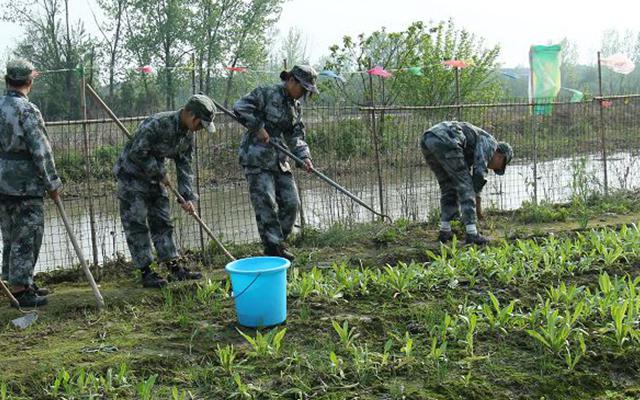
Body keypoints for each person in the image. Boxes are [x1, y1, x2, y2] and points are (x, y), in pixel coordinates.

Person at [114, 94, 216, 288]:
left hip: (155, 178)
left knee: (162, 221)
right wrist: (159, 172)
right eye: (200, 124)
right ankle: (146, 272)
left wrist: (186, 197)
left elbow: (184, 164)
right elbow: (138, 152)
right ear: (190, 114)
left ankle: (174, 268)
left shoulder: (187, 135)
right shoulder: (158, 123)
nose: (200, 129)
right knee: (136, 224)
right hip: (131, 175)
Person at [233, 65, 318, 261]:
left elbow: (296, 134)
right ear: (291, 81)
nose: (303, 94)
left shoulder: (295, 106)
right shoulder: (266, 93)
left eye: (307, 91)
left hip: (279, 159)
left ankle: (277, 243)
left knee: (291, 202)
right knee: (266, 202)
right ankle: (273, 248)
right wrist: (258, 127)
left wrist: (304, 156)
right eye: (302, 88)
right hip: (256, 157)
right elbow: (240, 107)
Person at [0, 59, 61, 307]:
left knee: (10, 234)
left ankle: (19, 282)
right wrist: (52, 182)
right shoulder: (27, 110)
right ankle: (21, 288)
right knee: (28, 234)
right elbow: (41, 150)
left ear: (7, 80)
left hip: (2, 181)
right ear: (29, 81)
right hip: (25, 183)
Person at [421, 121, 513, 245]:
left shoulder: (475, 146)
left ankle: (445, 231)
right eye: (499, 166)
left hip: (428, 139)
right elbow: (479, 173)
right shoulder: (491, 143)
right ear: (501, 156)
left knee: (448, 187)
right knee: (466, 186)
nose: (493, 169)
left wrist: (476, 197)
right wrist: (476, 202)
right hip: (447, 138)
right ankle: (471, 233)